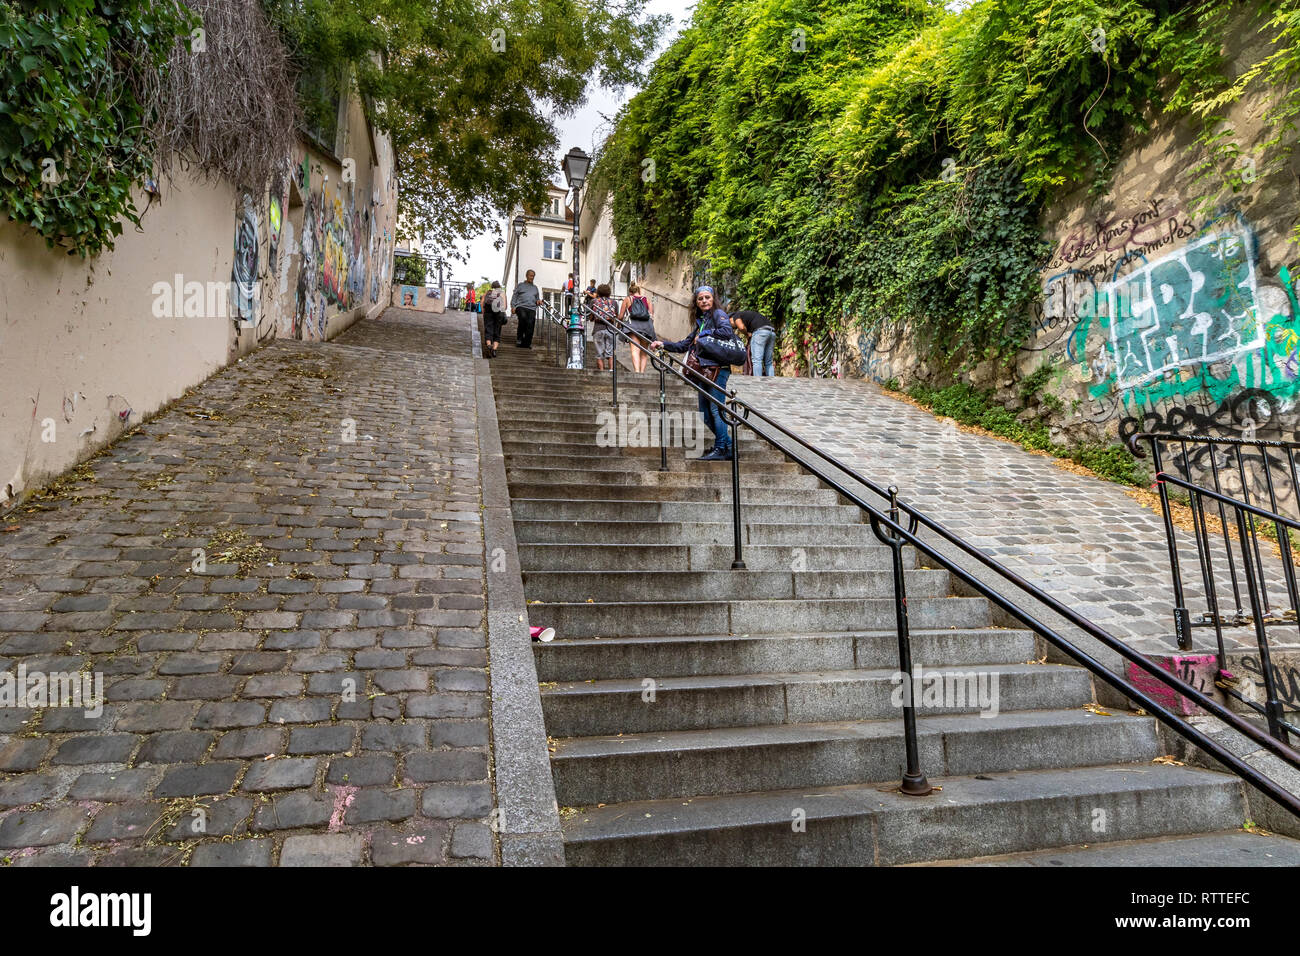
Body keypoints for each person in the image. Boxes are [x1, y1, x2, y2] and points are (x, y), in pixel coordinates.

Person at [652, 285, 740, 461]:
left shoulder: (718, 315)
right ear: (696, 302)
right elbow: (685, 345)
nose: (704, 301)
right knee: (706, 414)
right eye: (700, 299)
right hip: (703, 371)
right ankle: (728, 446)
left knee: (716, 410)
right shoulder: (702, 321)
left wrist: (705, 334)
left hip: (717, 369)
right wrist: (663, 344)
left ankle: (722, 448)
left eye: (707, 297)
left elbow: (726, 331)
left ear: (713, 299)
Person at [618, 282, 656, 374]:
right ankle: (642, 373)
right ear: (639, 291)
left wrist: (619, 325)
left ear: (630, 292)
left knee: (635, 350)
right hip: (646, 328)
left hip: (633, 327)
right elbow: (651, 316)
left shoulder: (628, 299)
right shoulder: (647, 300)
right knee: (644, 352)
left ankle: (637, 372)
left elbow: (620, 316)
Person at [731, 308, 776, 376]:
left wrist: (747, 334)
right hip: (771, 332)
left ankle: (757, 382)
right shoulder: (748, 314)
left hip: (760, 332)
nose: (734, 327)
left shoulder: (736, 315)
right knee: (768, 361)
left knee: (757, 360)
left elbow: (741, 327)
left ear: (730, 319)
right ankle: (771, 382)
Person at [590, 283, 619, 371]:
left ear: (598, 292)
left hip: (598, 329)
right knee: (610, 352)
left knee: (599, 353)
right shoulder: (614, 302)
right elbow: (616, 317)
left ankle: (602, 372)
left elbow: (590, 317)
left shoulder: (594, 301)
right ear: (609, 292)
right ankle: (611, 370)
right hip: (610, 329)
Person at [511, 269, 541, 348]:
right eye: (530, 276)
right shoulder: (520, 285)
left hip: (532, 308)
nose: (532, 277)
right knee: (523, 318)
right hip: (521, 306)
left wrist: (538, 301)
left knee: (531, 323)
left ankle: (527, 343)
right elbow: (515, 296)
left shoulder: (535, 288)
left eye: (533, 276)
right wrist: (513, 306)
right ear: (526, 275)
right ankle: (519, 339)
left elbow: (537, 298)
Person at [482, 280, 507, 358]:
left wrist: (484, 313)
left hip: (488, 312)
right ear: (499, 286)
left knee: (488, 329)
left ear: (492, 286)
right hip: (498, 313)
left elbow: (482, 302)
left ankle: (489, 345)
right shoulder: (502, 293)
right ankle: (494, 350)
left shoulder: (487, 292)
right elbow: (505, 306)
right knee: (497, 330)